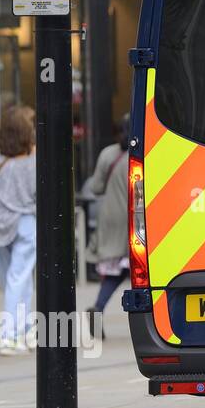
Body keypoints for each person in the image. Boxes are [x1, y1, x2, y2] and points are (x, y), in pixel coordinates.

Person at [84, 115, 131, 336]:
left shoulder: (108, 153)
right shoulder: (149, 152)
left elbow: (95, 187)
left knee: (116, 271)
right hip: (136, 220)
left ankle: (98, 307)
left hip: (111, 218)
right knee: (142, 272)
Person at [0, 106, 37, 355]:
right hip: (25, 223)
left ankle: (23, 329)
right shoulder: (32, 162)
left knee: (11, 280)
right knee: (20, 278)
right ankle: (10, 334)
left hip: (1, 224)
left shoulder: (2, 162)